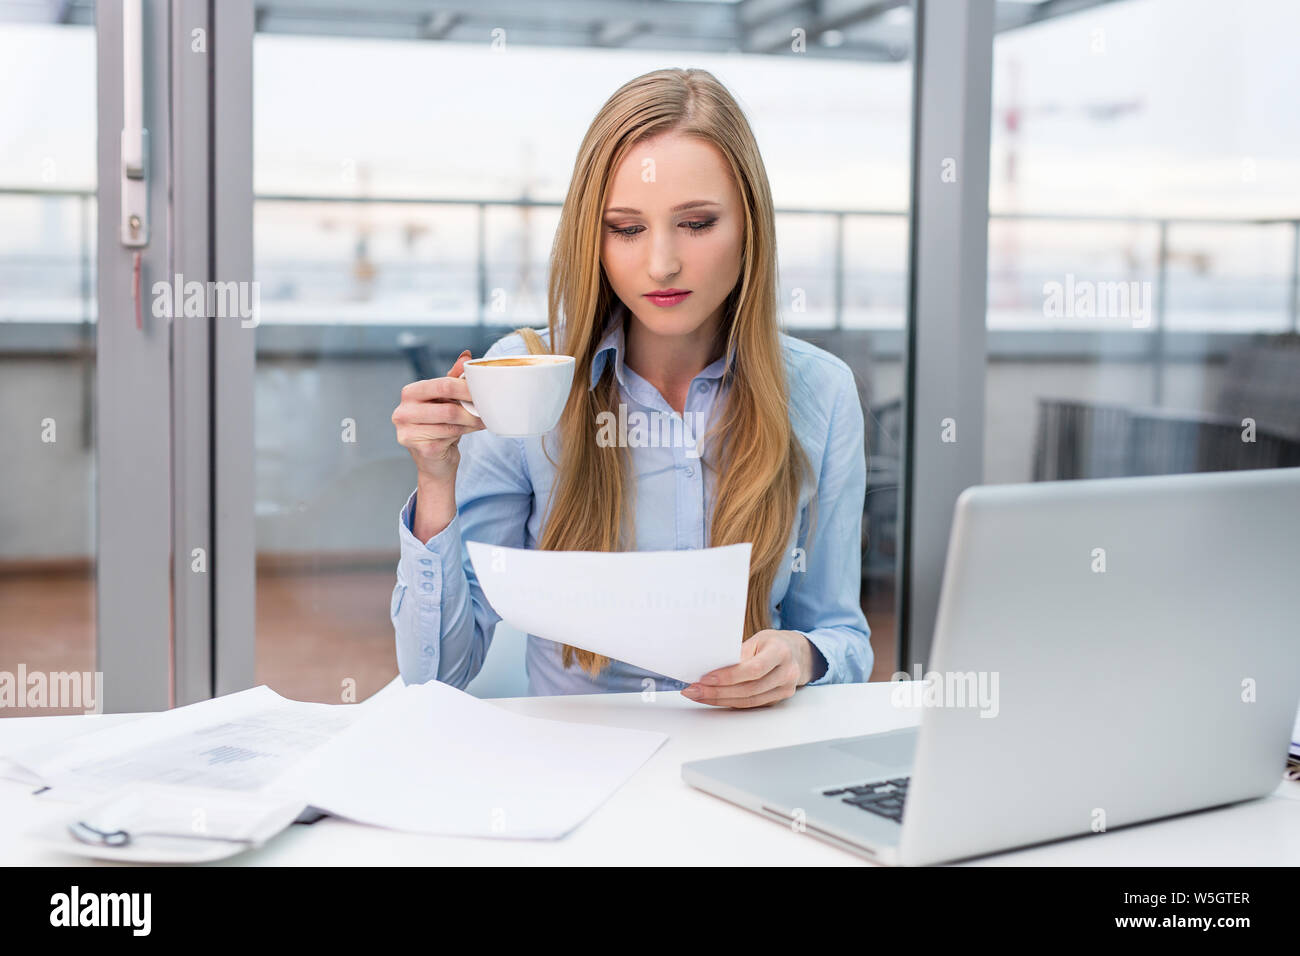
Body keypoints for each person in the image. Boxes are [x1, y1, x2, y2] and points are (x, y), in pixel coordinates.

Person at [391, 67, 871, 708]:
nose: (662, 263)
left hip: (742, 753)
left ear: (750, 226)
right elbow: (436, 674)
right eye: (626, 228)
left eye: (697, 224)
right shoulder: (521, 381)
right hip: (574, 767)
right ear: (594, 236)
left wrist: (801, 657)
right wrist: (434, 480)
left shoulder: (822, 392)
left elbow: (841, 634)